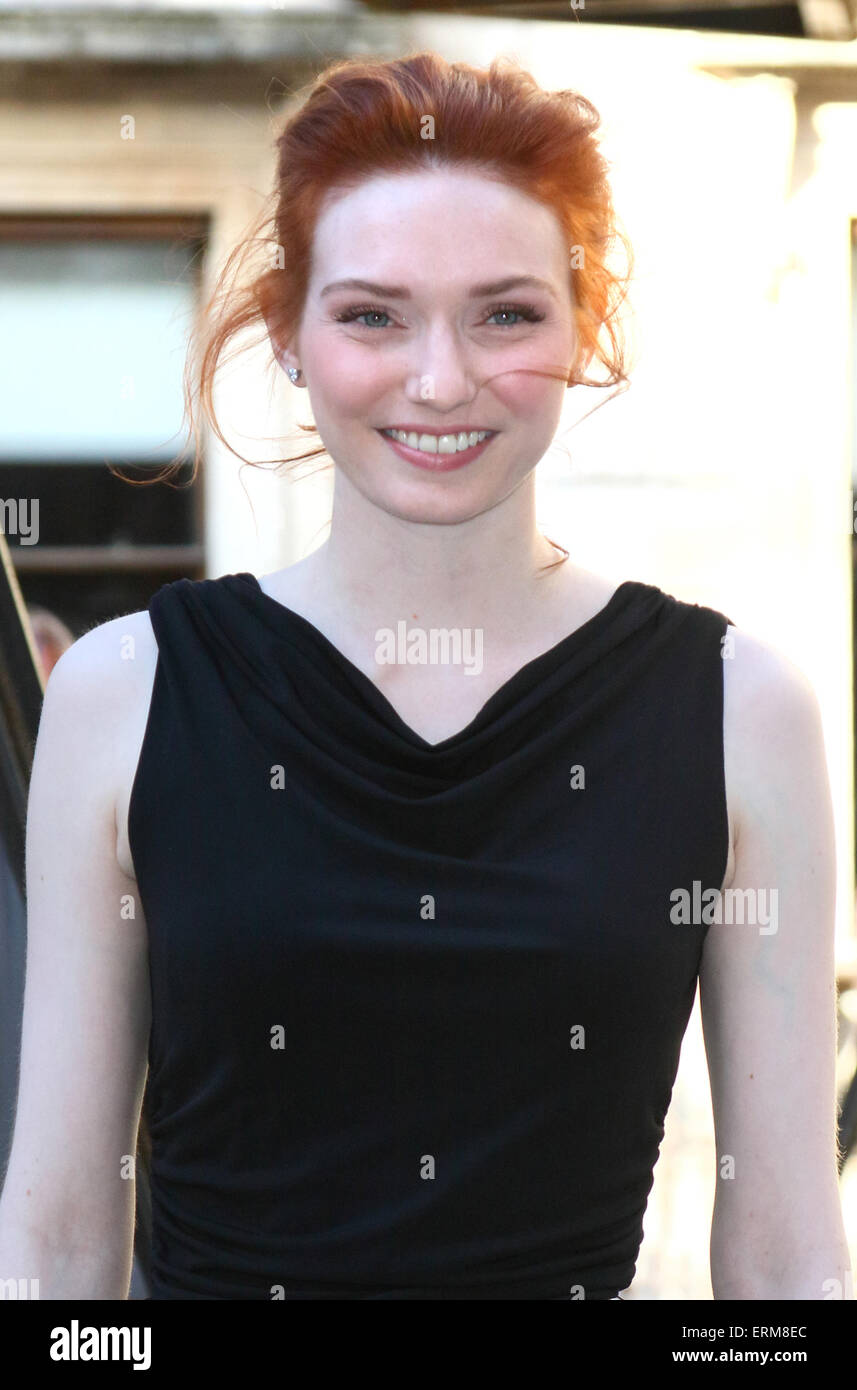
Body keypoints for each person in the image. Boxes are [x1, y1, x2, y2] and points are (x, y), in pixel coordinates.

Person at [0, 51, 850, 1301]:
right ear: (289, 335)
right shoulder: (125, 693)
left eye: (505, 313)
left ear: (584, 323)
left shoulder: (736, 709)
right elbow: (61, 1232)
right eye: (371, 315)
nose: (439, 380)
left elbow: (783, 1248)